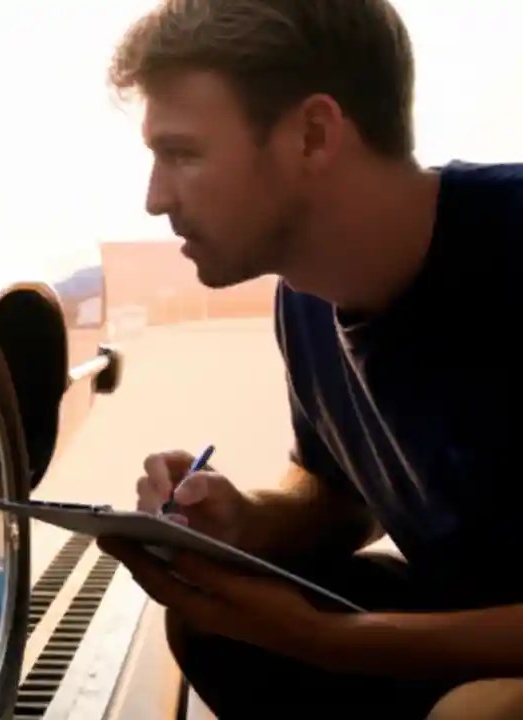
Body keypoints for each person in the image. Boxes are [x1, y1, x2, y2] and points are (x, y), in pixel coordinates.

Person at [96, 0, 522, 717]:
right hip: (463, 616)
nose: (155, 198)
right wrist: (242, 521)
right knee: (217, 625)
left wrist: (333, 641)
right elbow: (336, 497)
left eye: (184, 154)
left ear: (314, 134)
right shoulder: (305, 299)